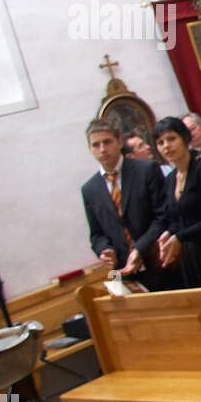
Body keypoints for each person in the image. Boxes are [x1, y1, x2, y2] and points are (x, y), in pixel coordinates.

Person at [80, 118, 175, 291]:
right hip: (122, 270)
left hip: (158, 261)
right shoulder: (89, 189)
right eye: (96, 145)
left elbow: (163, 216)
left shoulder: (146, 170)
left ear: (118, 141)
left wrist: (139, 248)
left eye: (107, 142)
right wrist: (104, 250)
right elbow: (96, 234)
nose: (102, 149)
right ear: (89, 149)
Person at [152, 116, 201, 288]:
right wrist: (168, 233)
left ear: (185, 138)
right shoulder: (170, 179)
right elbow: (176, 219)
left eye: (171, 139)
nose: (166, 146)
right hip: (189, 256)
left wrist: (180, 236)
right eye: (160, 142)